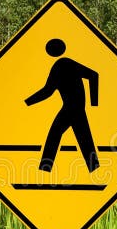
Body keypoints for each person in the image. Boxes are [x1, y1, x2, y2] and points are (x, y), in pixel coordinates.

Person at [25, 38, 99, 172]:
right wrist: (27, 102)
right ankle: (94, 169)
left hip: (72, 108)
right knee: (83, 139)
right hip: (74, 108)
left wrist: (95, 104)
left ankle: (44, 169)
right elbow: (48, 91)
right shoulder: (63, 64)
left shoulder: (62, 64)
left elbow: (94, 75)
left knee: (55, 135)